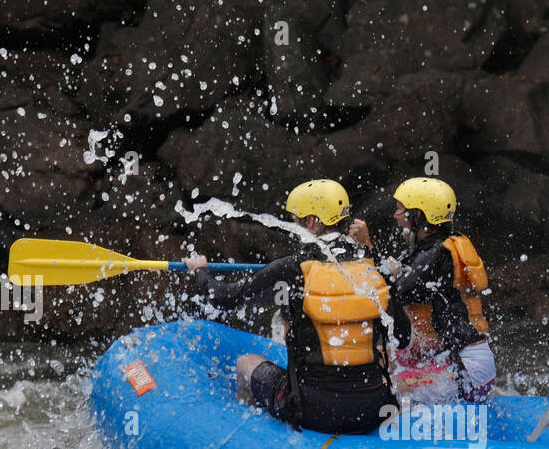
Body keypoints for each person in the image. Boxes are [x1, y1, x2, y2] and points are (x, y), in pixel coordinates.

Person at [184, 179, 408, 434]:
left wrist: (201, 271)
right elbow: (402, 336)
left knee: (246, 362)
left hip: (315, 411)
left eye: (295, 221)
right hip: (373, 409)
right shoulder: (373, 267)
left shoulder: (292, 267)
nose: (292, 228)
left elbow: (222, 297)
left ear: (311, 222)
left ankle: (252, 441)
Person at [348, 177, 496, 404]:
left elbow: (388, 296)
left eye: (400, 209)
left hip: (467, 371)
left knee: (380, 386)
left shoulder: (435, 255)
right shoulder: (439, 246)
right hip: (469, 362)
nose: (395, 215)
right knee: (382, 354)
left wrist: (368, 247)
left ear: (418, 215)